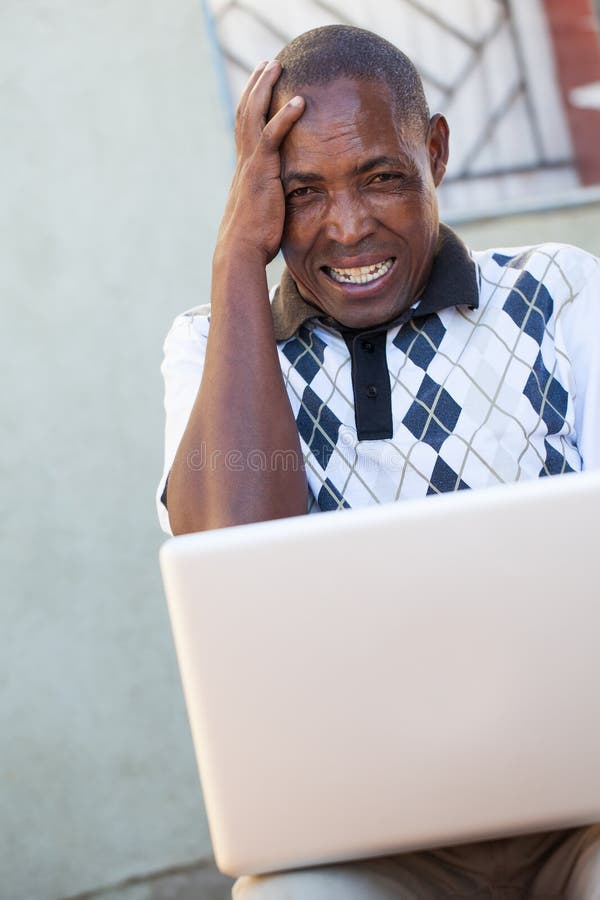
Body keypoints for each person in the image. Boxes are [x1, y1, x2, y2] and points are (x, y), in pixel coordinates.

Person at [157, 24, 600, 899]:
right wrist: (237, 258)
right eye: (302, 193)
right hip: (365, 844)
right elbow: (230, 557)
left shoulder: (558, 294)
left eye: (381, 177)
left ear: (434, 152)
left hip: (582, 812)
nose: (349, 227)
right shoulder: (209, 349)